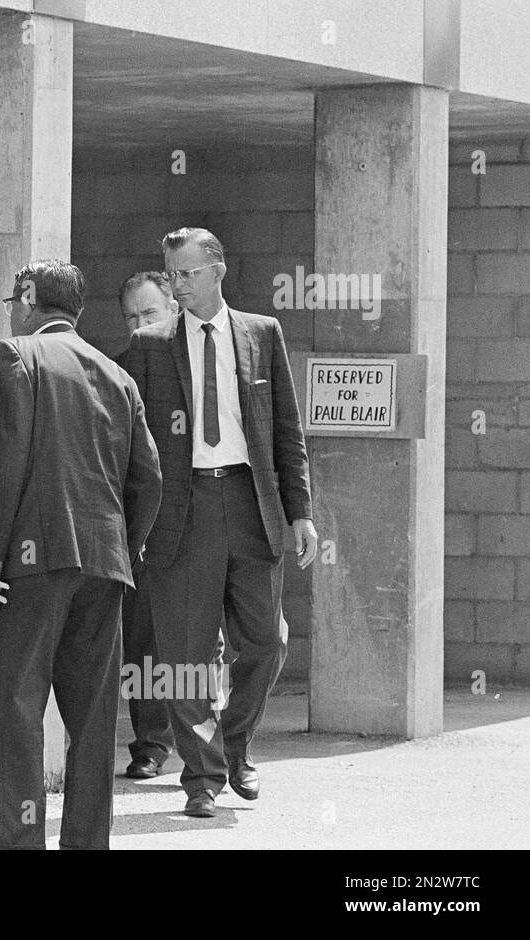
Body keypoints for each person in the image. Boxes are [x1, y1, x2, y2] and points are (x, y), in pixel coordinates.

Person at [123, 228, 316, 818]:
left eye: (188, 274)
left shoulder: (262, 333)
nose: (178, 285)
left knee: (266, 640)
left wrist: (301, 513)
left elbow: (287, 429)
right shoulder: (151, 345)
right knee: (183, 654)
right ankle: (201, 778)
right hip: (182, 512)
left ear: (219, 271)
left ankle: (236, 742)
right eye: (172, 275)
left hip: (251, 503)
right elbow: (134, 445)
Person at [0, 259, 161, 849]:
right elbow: (150, 482)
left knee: (15, 711)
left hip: (32, 565)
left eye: (13, 296)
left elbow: (1, 465)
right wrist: (121, 550)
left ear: (29, 297)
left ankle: (17, 841)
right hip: (105, 567)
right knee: (94, 718)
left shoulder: (15, 356)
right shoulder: (117, 375)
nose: (10, 308)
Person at [113, 272, 178, 778]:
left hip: (207, 523)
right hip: (145, 529)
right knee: (144, 641)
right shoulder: (118, 375)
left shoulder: (212, 363)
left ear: (175, 310)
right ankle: (151, 745)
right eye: (131, 318)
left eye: (150, 315)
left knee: (213, 640)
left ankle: (214, 743)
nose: (139, 327)